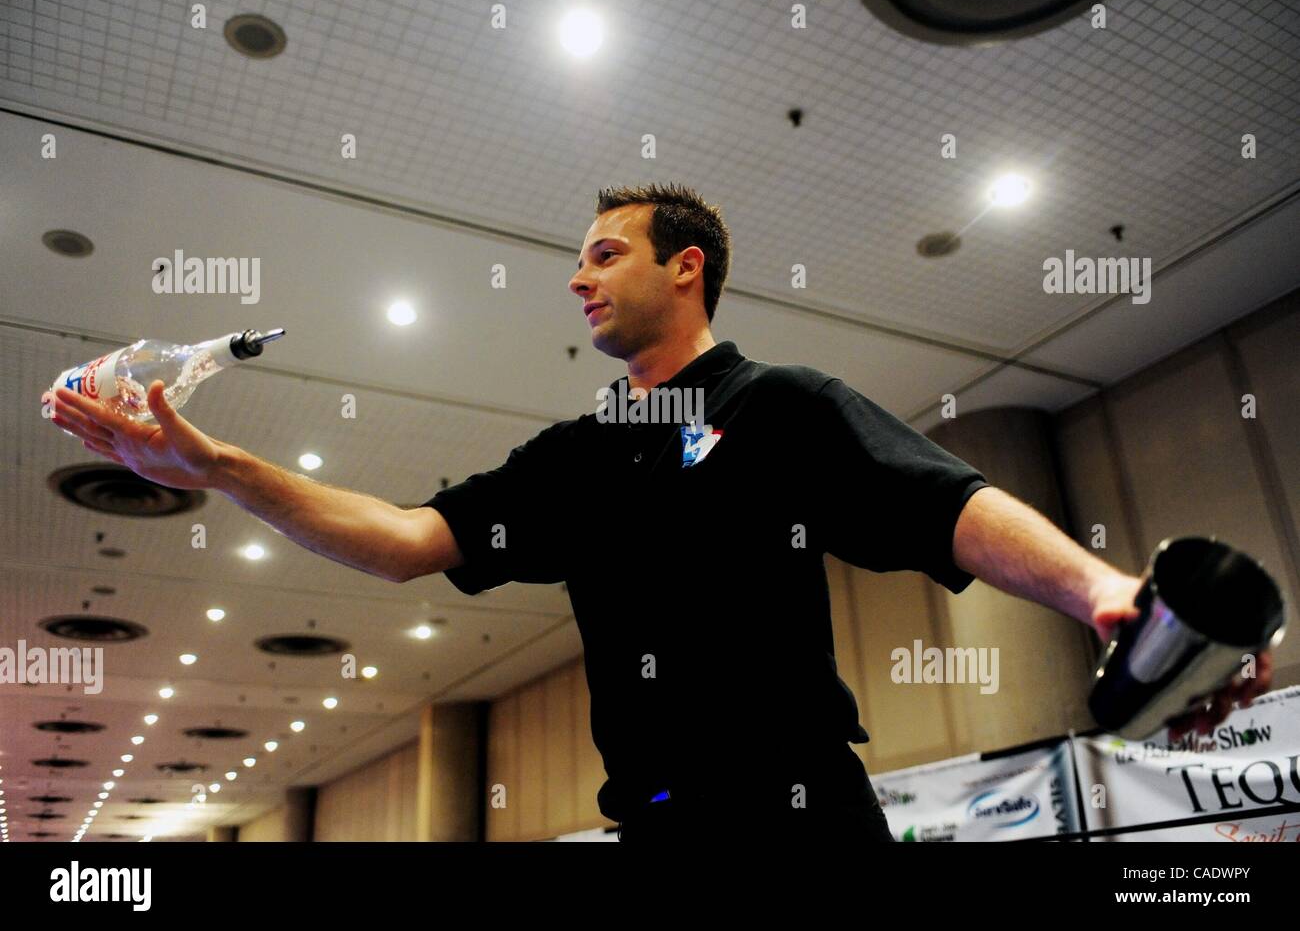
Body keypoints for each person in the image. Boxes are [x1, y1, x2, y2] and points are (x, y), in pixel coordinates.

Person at [48, 182, 1272, 843]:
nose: (576, 278)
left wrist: (1107, 597)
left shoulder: (777, 404)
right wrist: (223, 473)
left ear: (685, 267)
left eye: (602, 253)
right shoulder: (577, 457)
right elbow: (407, 543)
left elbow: (945, 502)